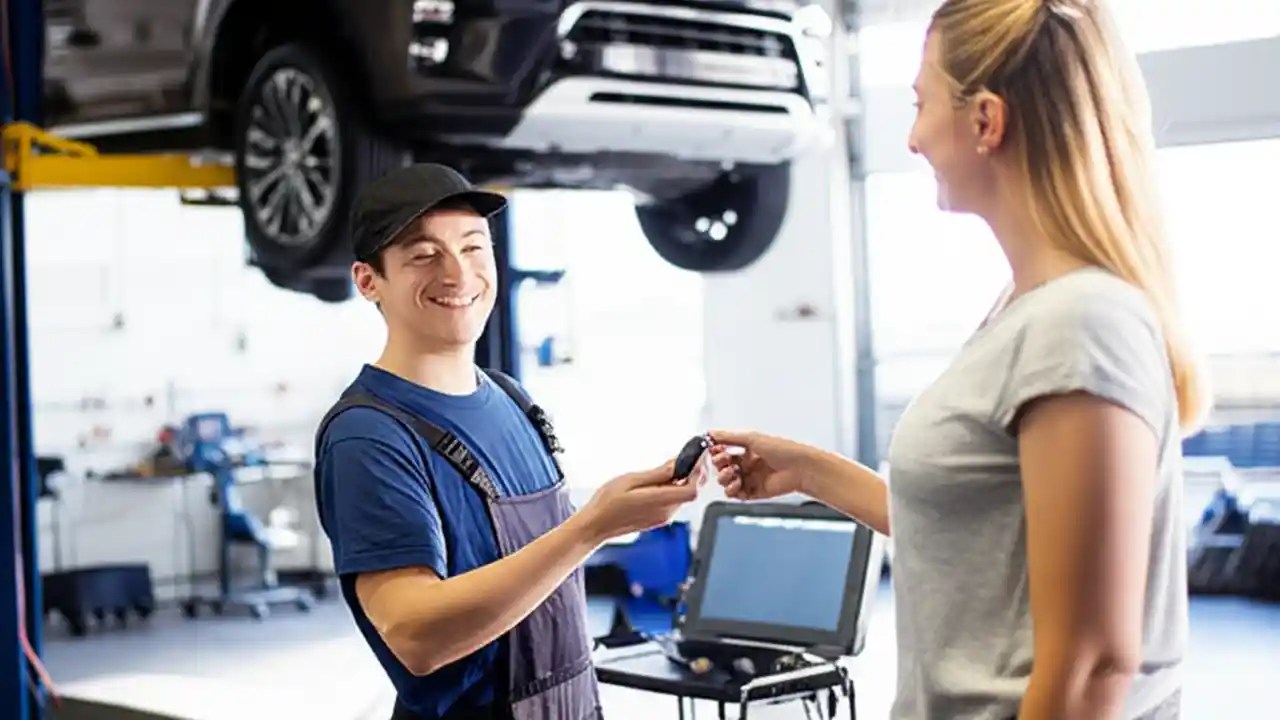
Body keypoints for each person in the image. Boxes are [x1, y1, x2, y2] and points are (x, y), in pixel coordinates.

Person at [707, 1, 1205, 718]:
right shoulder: (1027, 309)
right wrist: (805, 469)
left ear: (985, 121)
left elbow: (1095, 662)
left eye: (921, 104)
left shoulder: (1081, 322)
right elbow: (980, 539)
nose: (912, 139)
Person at [312, 163, 719, 720]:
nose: (457, 274)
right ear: (368, 280)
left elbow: (541, 571)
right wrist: (592, 526)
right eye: (423, 255)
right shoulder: (369, 436)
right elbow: (416, 637)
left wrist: (617, 511)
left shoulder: (511, 399)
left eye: (474, 247)